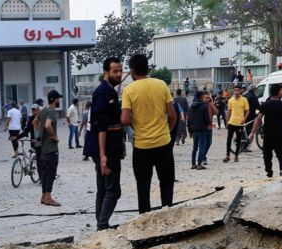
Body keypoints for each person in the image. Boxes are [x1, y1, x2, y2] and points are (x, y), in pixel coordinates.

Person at [121, 53, 176, 213]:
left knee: (143, 186)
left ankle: (144, 218)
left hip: (142, 146)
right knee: (166, 182)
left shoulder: (128, 90)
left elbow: (125, 119)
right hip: (163, 143)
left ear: (132, 71)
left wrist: (136, 126)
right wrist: (166, 131)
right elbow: (172, 115)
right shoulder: (161, 85)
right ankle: (167, 214)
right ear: (147, 68)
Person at [86, 56, 125, 231]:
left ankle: (101, 225)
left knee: (103, 189)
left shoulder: (109, 91)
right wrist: (102, 155)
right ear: (106, 73)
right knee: (113, 190)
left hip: (105, 149)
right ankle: (102, 225)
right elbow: (101, 126)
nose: (119, 74)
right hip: (107, 150)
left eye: (120, 70)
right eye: (115, 71)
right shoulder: (104, 92)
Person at [249, 83, 282, 177]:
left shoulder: (265, 105)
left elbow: (258, 119)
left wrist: (252, 133)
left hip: (268, 134)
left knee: (267, 154)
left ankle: (269, 171)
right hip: (280, 133)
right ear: (278, 92)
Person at [35, 90, 63, 207]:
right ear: (55, 99)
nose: (59, 101)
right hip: (51, 148)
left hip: (43, 148)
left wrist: (41, 133)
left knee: (45, 172)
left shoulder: (43, 111)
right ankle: (48, 197)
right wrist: (54, 136)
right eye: (58, 99)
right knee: (51, 172)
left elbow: (34, 122)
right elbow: (47, 125)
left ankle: (43, 196)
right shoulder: (51, 111)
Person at [223, 85, 249, 162]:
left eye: (237, 90)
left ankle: (236, 156)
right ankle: (227, 155)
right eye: (235, 90)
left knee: (238, 140)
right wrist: (227, 121)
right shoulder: (231, 100)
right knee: (229, 139)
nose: (236, 92)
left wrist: (244, 119)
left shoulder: (244, 99)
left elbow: (247, 110)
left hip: (240, 123)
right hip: (231, 122)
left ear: (240, 91)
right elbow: (229, 111)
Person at [188, 91, 213, 170]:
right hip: (202, 129)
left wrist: (190, 131)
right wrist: (209, 124)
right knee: (202, 146)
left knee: (195, 147)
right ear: (201, 96)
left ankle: (193, 164)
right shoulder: (204, 106)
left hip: (194, 129)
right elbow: (207, 118)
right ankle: (199, 164)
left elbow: (189, 119)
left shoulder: (191, 106)